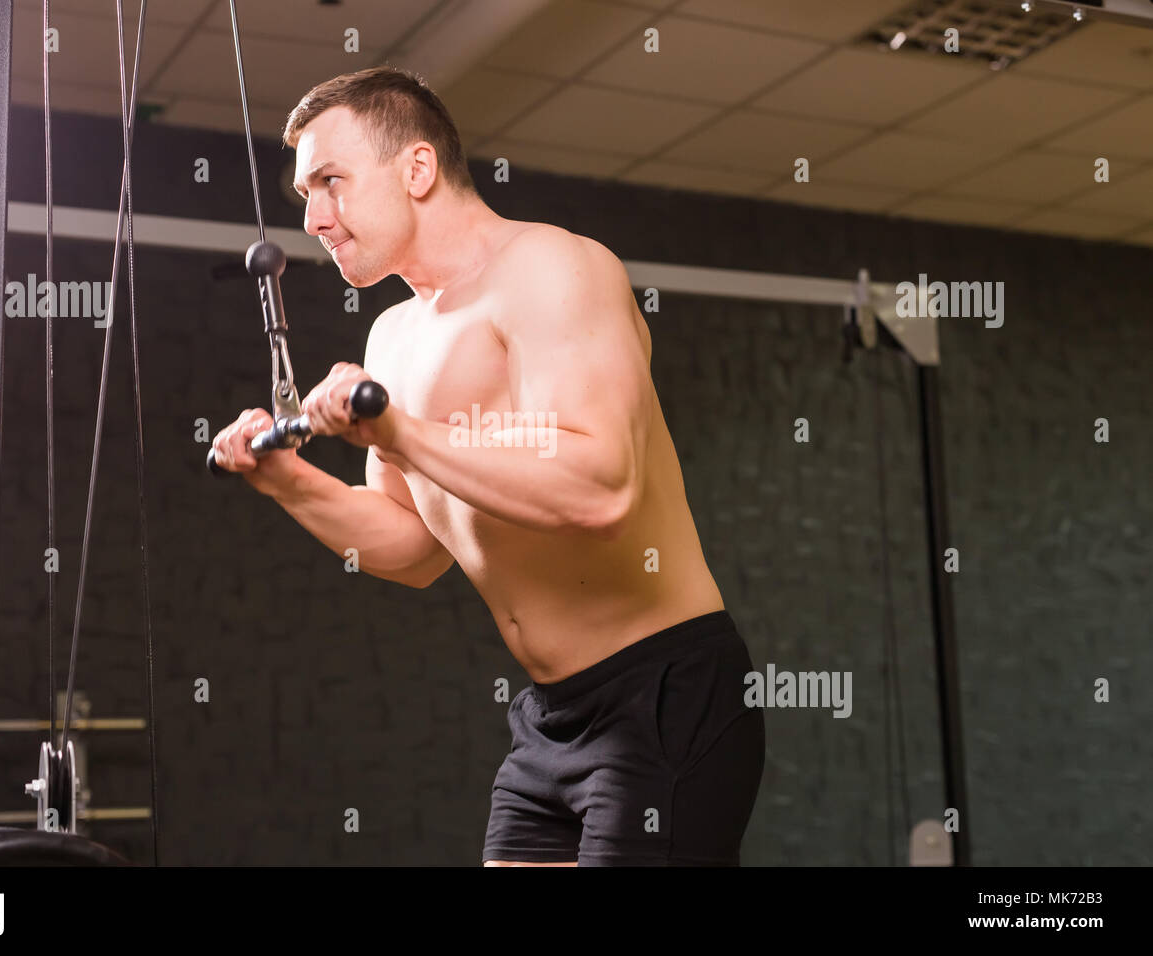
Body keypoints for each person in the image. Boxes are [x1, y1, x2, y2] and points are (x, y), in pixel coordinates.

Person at [211, 66, 764, 866]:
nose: (317, 217)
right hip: (551, 718)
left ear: (418, 169)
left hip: (664, 692)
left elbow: (601, 487)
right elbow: (408, 548)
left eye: (331, 182)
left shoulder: (552, 269)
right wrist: (284, 479)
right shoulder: (393, 337)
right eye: (304, 196)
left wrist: (399, 431)